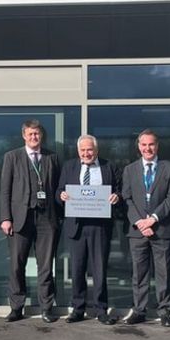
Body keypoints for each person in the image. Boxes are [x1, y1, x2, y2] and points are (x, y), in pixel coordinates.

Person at [0, 120, 61, 323]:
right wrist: (6, 218)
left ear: (41, 136)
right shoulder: (12, 157)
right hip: (20, 218)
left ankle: (46, 307)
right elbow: (5, 190)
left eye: (37, 134)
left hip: (46, 218)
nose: (34, 137)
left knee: (46, 265)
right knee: (17, 265)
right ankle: (17, 307)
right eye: (30, 134)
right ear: (24, 136)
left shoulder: (52, 157)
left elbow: (59, 188)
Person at [56, 135, 120, 325]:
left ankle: (101, 309)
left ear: (96, 150)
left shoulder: (109, 166)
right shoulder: (69, 167)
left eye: (89, 150)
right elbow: (58, 191)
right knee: (77, 269)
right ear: (78, 151)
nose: (86, 153)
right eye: (82, 150)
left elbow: (120, 189)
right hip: (76, 225)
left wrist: (117, 197)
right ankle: (78, 308)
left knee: (99, 269)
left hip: (100, 226)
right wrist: (62, 195)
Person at [121, 129, 170, 327]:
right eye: (144, 145)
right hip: (138, 231)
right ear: (139, 147)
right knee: (139, 273)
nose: (148, 148)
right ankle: (139, 310)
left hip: (161, 228)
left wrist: (153, 219)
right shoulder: (129, 170)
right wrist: (140, 221)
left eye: (151, 144)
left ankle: (164, 311)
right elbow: (126, 199)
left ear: (157, 146)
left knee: (164, 272)